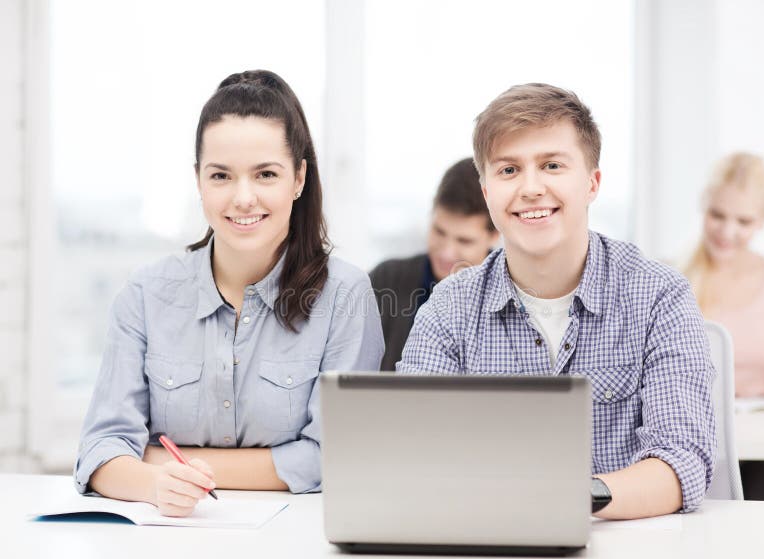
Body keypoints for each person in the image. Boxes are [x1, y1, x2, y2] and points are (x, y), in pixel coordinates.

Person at [398, 83, 716, 520]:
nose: (530, 188)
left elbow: (681, 464)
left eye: (551, 165)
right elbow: (413, 454)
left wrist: (563, 499)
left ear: (592, 183)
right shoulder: (448, 308)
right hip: (487, 546)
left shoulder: (661, 296)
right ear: (487, 192)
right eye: (508, 170)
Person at [74, 70, 384, 516]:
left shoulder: (347, 295)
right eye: (221, 175)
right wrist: (155, 484)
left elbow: (333, 458)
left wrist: (159, 461)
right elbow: (100, 451)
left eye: (265, 174)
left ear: (298, 179)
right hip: (169, 541)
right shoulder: (144, 294)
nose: (243, 198)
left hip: (294, 546)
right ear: (198, 179)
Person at [684, 152, 764, 398]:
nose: (727, 232)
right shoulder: (669, 278)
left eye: (744, 222)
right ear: (703, 206)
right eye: (717, 215)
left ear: (762, 221)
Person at [369, 158, 499, 370]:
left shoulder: (510, 295)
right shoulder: (386, 280)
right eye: (439, 231)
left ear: (495, 234)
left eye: (464, 240)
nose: (446, 253)